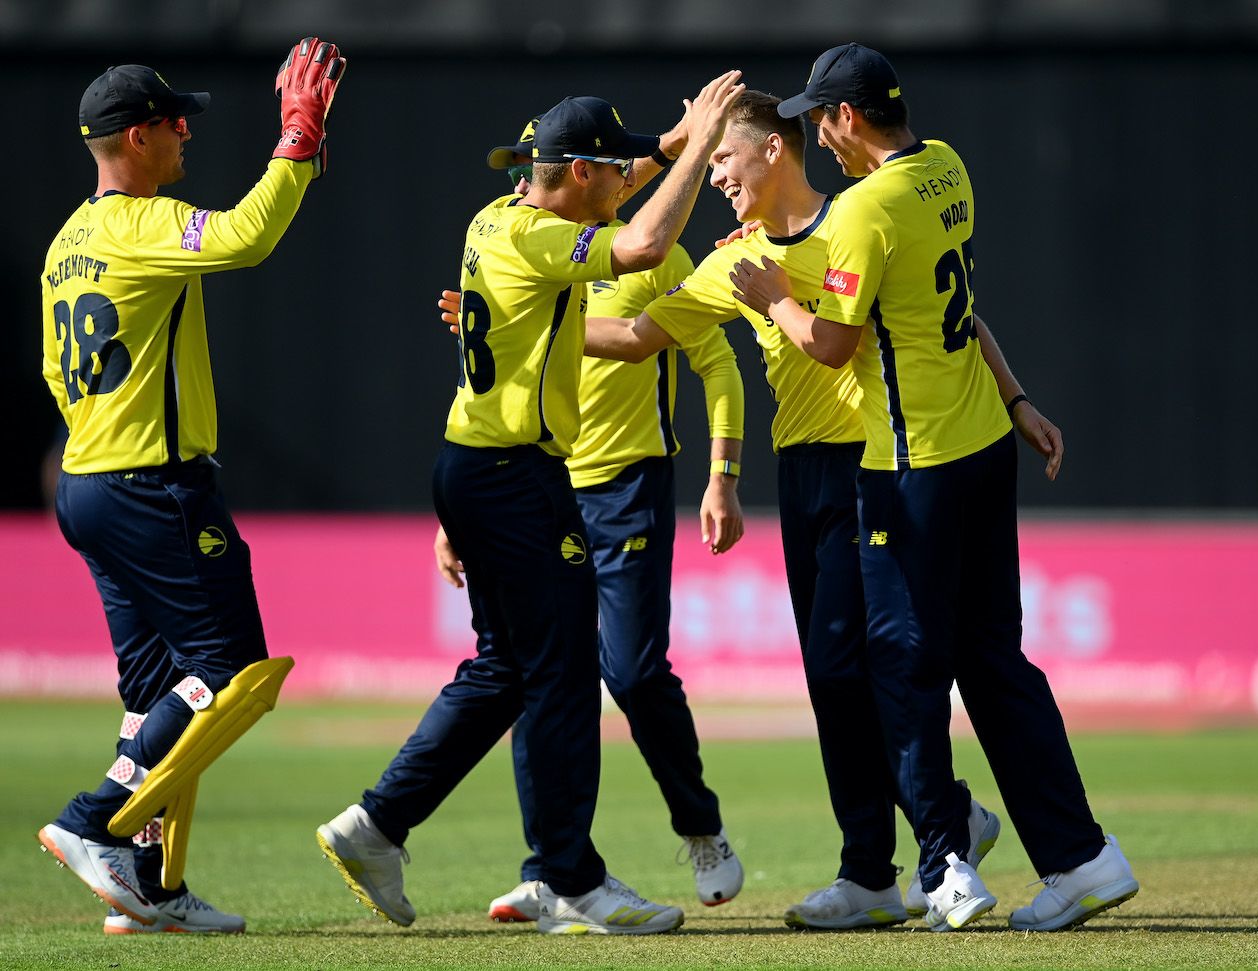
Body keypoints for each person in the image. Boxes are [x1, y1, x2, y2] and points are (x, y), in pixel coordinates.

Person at [585, 90, 1040, 930]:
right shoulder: (731, 263)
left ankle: (931, 856)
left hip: (880, 467)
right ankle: (886, 861)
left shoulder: (857, 220)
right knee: (837, 677)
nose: (715, 174)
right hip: (805, 479)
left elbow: (954, 321)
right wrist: (520, 319)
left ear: (774, 151)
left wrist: (1014, 401)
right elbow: (637, 336)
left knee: (889, 668)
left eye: (724, 157)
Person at [317, 73, 746, 936]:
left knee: (508, 670)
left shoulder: (494, 218)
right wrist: (697, 146)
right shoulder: (549, 238)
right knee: (560, 675)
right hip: (519, 476)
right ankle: (571, 877)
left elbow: (609, 215)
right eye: (613, 170)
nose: (625, 182)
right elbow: (642, 251)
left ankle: (378, 822)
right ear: (582, 175)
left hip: (472, 464)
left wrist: (658, 150)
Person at [731, 42, 1140, 932]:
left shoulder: (865, 210)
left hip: (914, 468)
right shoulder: (945, 166)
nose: (821, 141)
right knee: (995, 661)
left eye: (821, 122)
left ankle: (946, 868)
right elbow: (947, 301)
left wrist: (769, 293)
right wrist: (1018, 396)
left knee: (900, 670)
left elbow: (831, 344)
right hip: (985, 445)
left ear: (846, 118)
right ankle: (1082, 858)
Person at [36, 40, 347, 935]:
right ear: (136, 138)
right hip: (151, 488)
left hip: (89, 483)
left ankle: (149, 886)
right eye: (175, 124)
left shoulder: (69, 242)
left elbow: (55, 373)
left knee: (156, 696)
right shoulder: (140, 221)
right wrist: (297, 137)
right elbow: (244, 237)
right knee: (232, 673)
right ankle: (95, 821)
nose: (185, 137)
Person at [434, 115, 746, 923]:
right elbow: (491, 376)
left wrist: (723, 477)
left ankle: (701, 828)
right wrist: (454, 516)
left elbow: (714, 364)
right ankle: (552, 870)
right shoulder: (536, 244)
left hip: (632, 484)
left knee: (633, 673)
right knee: (545, 678)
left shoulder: (654, 250)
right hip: (545, 482)